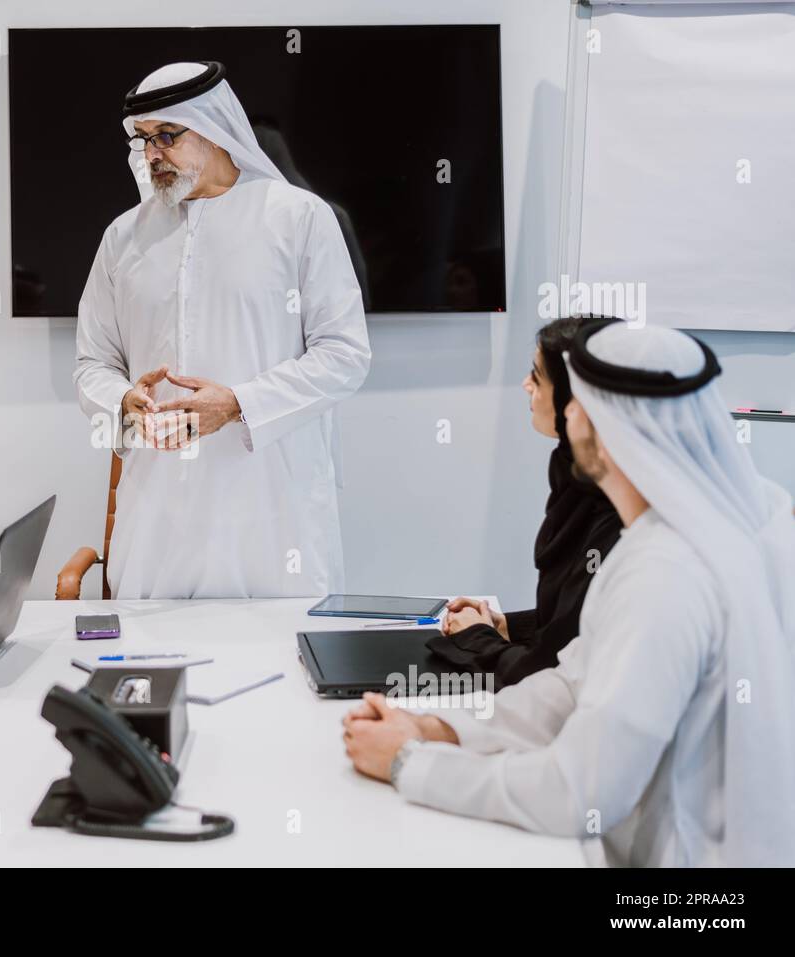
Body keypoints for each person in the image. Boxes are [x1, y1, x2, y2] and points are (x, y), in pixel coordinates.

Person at [341, 319, 795, 867]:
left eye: (581, 402)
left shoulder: (668, 573)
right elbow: (569, 686)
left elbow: (581, 792)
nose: (568, 412)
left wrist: (409, 764)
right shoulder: (677, 529)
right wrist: (436, 730)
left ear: (606, 428)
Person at [74, 61, 371, 599]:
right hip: (158, 513)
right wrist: (123, 401)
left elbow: (344, 354)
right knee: (149, 670)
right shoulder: (124, 238)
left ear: (215, 129)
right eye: (144, 141)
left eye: (167, 136)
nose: (153, 154)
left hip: (271, 509)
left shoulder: (299, 218)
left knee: (283, 671)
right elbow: (92, 362)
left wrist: (238, 403)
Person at [427, 317, 623, 687]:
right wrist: (507, 626)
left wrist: (477, 637)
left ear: (573, 399)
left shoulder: (617, 511)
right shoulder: (574, 473)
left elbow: (551, 675)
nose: (524, 384)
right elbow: (576, 620)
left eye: (537, 376)